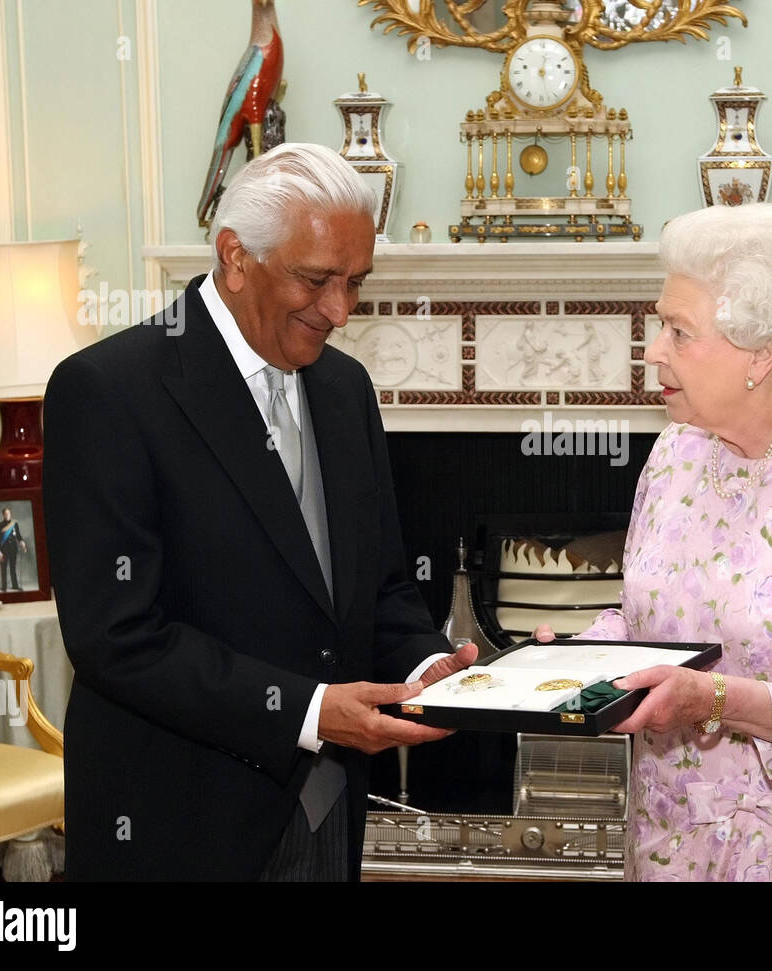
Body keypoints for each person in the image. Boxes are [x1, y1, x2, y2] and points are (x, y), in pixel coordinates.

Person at [43, 143, 475, 881]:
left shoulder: (345, 389)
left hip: (329, 812)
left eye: (355, 283)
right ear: (235, 257)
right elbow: (116, 636)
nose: (340, 310)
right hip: (177, 826)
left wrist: (433, 667)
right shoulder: (108, 391)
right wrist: (308, 711)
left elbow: (380, 587)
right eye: (316, 280)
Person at [537, 204, 772, 881]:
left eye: (678, 331)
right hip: (671, 836)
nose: (653, 349)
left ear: (760, 354)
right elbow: (645, 619)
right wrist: (582, 654)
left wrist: (713, 700)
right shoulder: (675, 454)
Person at [0, 506, 27, 591]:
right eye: (5, 514)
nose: (7, 515)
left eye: (8, 513)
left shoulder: (15, 524)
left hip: (13, 549)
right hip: (4, 550)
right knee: (4, 569)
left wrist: (22, 542)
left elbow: (18, 536)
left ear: (10, 514)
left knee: (13, 568)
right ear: (3, 515)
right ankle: (4, 587)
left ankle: (15, 586)